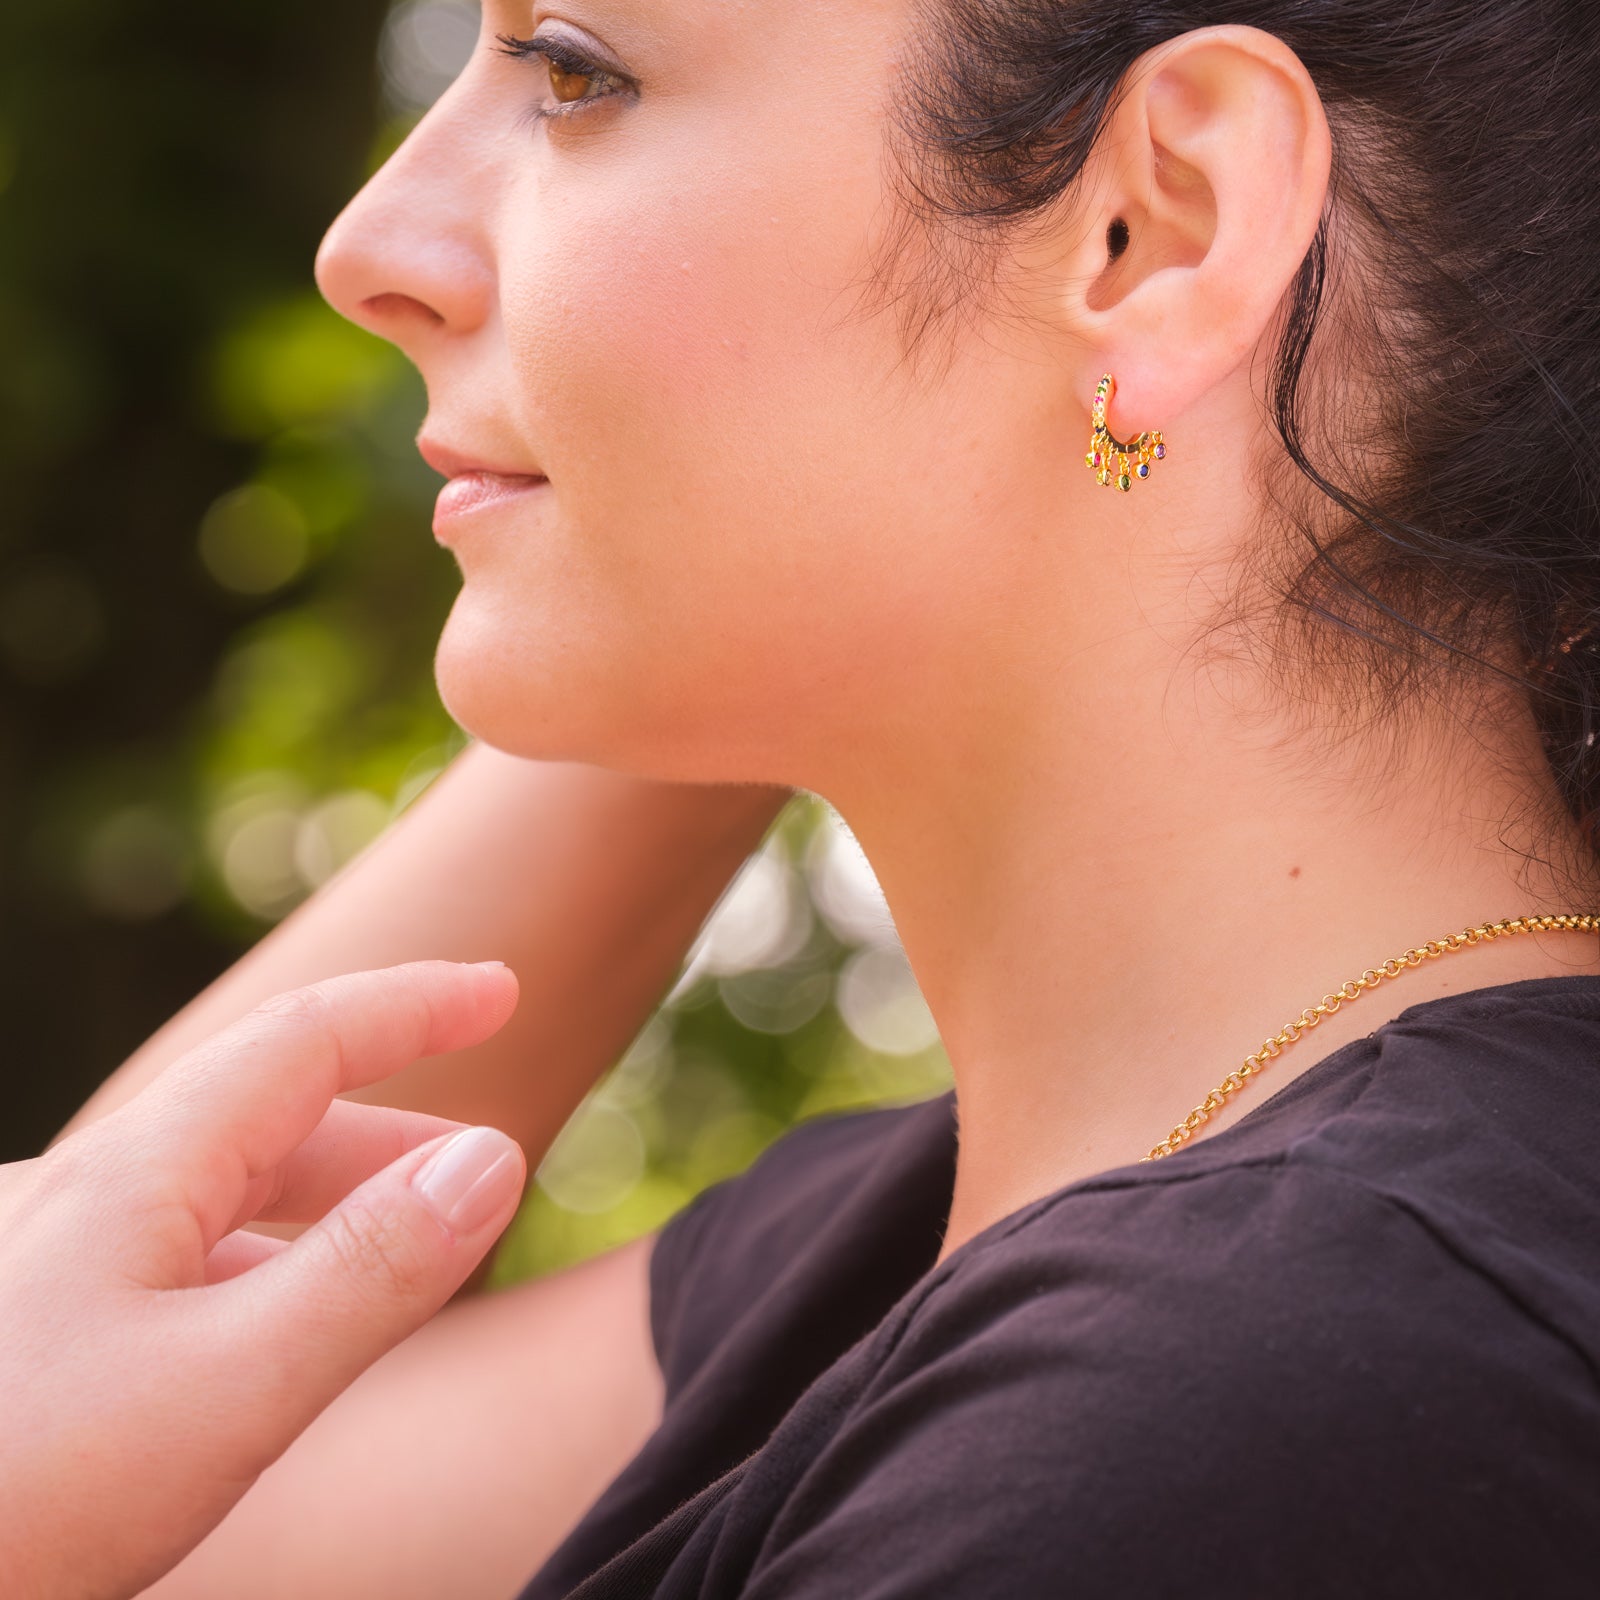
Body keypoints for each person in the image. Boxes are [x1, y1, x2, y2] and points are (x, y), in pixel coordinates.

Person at [57, 0, 1600, 1592]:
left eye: (574, 74)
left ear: (1162, 225)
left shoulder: (1279, 1401)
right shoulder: (967, 1246)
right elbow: (107, 1468)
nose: (366, 246)